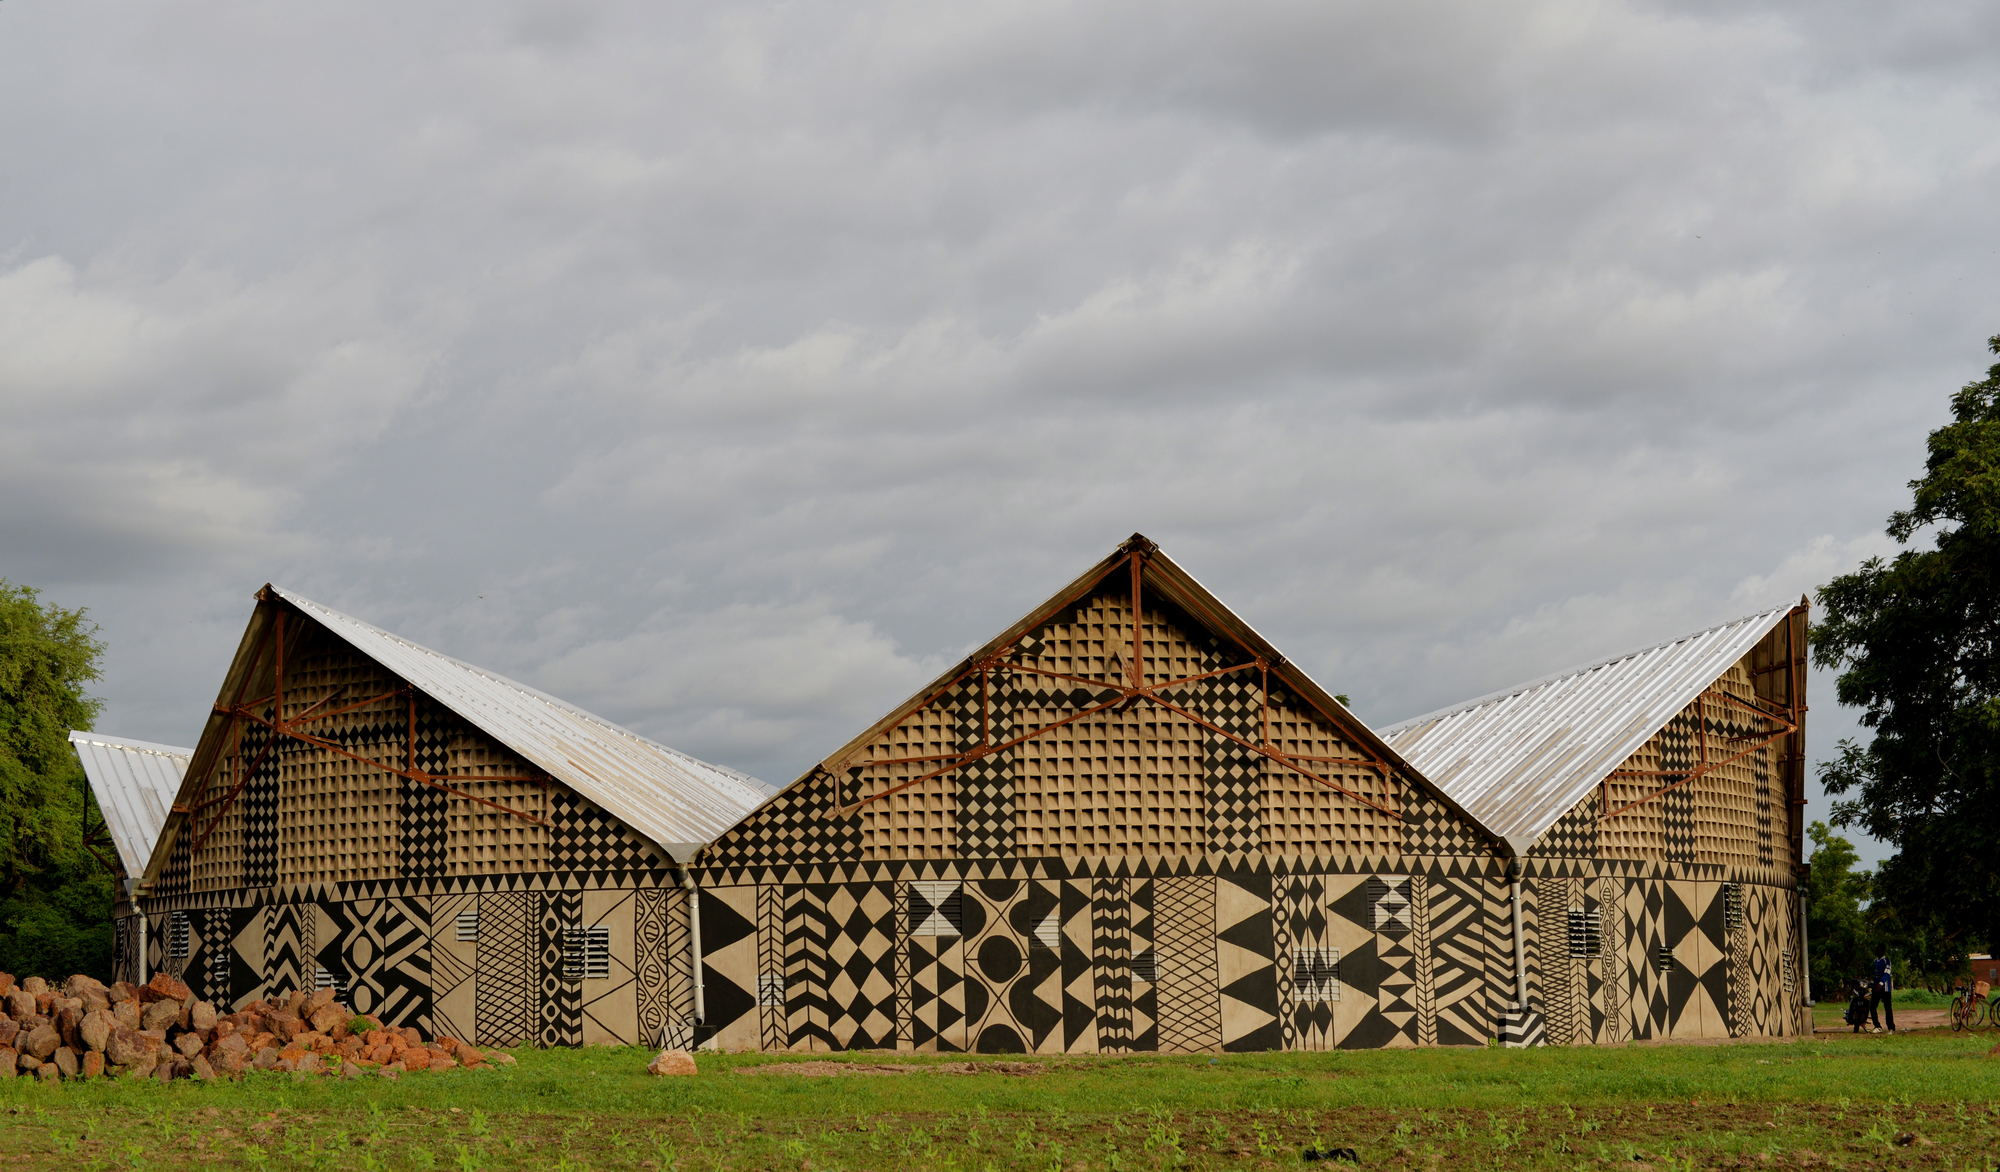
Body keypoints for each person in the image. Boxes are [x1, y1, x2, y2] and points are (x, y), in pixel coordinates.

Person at [1869, 945, 1896, 1033]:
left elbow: (1887, 973)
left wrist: (1881, 983)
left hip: (1885, 989)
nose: (1876, 950)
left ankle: (1891, 1028)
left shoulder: (1886, 961)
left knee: (1888, 1008)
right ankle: (1877, 1026)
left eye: (1878, 949)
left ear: (1882, 950)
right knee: (1872, 1007)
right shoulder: (1875, 961)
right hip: (1876, 989)